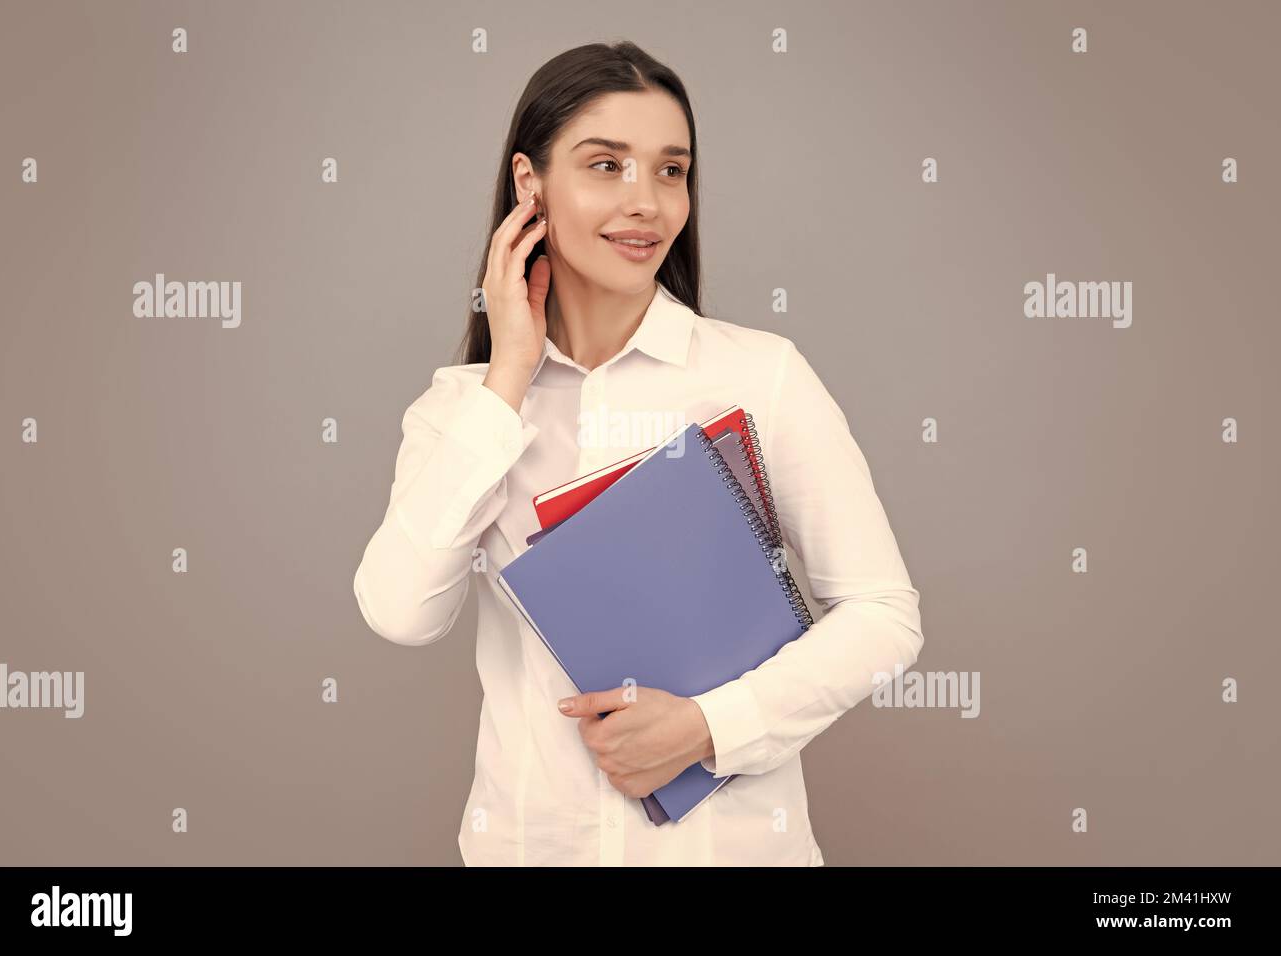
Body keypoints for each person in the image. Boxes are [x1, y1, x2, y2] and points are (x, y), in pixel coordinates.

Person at [353, 40, 924, 866]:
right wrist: (508, 375)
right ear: (529, 184)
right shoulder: (462, 409)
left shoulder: (761, 377)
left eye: (669, 170)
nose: (647, 202)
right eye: (606, 164)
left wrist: (708, 728)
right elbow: (401, 614)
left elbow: (883, 615)